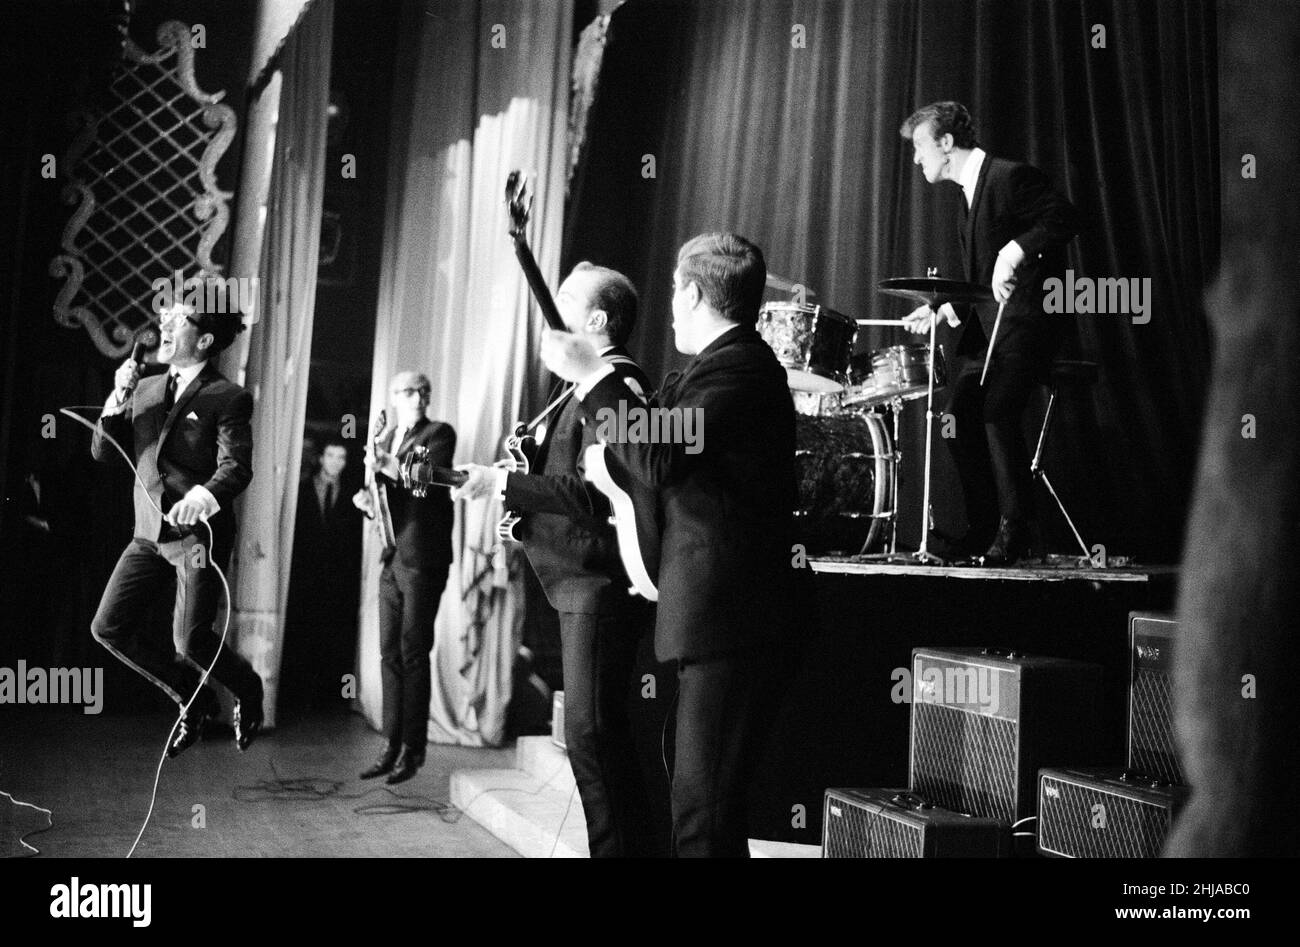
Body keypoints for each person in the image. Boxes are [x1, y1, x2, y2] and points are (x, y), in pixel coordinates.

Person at [541, 233, 795, 857]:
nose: (670, 309)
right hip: (713, 622)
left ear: (691, 291)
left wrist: (593, 373)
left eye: (675, 294)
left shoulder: (741, 369)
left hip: (734, 622)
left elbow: (654, 454)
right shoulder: (709, 370)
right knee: (700, 814)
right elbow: (647, 446)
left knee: (702, 820)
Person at [452, 262, 655, 857]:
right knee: (594, 738)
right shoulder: (579, 388)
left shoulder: (620, 386)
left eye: (564, 299)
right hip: (570, 580)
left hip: (597, 581)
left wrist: (503, 486)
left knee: (593, 737)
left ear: (596, 320)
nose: (550, 310)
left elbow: (596, 493)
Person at [900, 101, 1080, 565]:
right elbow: (982, 280)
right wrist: (945, 311)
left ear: (945, 143)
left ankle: (1016, 528)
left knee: (997, 407)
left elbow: (1064, 216)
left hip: (1031, 322)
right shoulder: (967, 196)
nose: (917, 159)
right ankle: (982, 530)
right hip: (995, 328)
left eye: (921, 147)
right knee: (957, 416)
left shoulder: (1008, 177)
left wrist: (1015, 250)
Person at [90, 303, 263, 756]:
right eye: (165, 318)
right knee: (107, 628)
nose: (164, 325)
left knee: (190, 640)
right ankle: (193, 697)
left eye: (178, 320)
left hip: (194, 538)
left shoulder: (228, 396)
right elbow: (105, 455)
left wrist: (200, 500)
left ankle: (247, 688)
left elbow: (237, 468)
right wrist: (118, 399)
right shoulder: (144, 387)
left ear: (204, 340)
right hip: (147, 535)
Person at [352, 372, 455, 785]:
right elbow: (385, 499)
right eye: (410, 390)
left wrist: (385, 463)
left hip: (424, 557)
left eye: (424, 390)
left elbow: (424, 476)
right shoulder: (389, 434)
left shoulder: (439, 433)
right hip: (393, 557)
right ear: (395, 397)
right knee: (388, 653)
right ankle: (391, 744)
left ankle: (413, 749)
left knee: (413, 651)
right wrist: (367, 501)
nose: (419, 396)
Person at [283, 437, 362, 714]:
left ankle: (327, 698)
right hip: (305, 576)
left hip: (337, 580)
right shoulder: (301, 489)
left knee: (332, 638)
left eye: (341, 457)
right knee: (302, 635)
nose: (335, 462)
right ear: (321, 458)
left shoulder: (353, 493)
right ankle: (296, 695)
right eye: (330, 455)